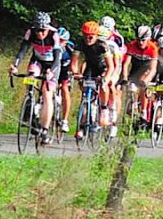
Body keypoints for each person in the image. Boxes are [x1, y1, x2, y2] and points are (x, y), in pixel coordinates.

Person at [10, 12, 62, 144]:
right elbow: (23, 50)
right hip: (37, 60)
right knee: (31, 75)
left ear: (47, 28)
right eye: (38, 30)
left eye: (43, 30)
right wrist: (15, 66)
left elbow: (57, 56)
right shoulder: (30, 32)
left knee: (46, 92)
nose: (40, 33)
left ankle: (44, 130)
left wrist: (52, 71)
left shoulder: (53, 34)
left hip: (52, 64)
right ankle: (30, 101)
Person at [70, 21, 117, 141]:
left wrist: (106, 78)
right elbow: (74, 62)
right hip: (90, 68)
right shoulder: (80, 44)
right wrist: (76, 74)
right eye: (85, 35)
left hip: (102, 67)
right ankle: (81, 126)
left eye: (91, 36)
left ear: (96, 35)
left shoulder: (102, 46)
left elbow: (110, 66)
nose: (88, 39)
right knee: (86, 97)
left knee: (103, 86)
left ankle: (104, 107)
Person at [121, 25, 160, 138]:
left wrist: (147, 81)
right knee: (131, 90)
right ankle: (132, 107)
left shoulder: (152, 48)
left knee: (142, 86)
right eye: (138, 39)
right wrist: (124, 77)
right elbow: (126, 64)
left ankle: (143, 112)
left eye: (143, 40)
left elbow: (153, 69)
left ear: (148, 39)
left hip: (147, 70)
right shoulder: (132, 45)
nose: (140, 42)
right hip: (135, 70)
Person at [56, 25, 75, 133]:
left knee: (64, 88)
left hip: (65, 68)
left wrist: (74, 72)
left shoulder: (70, 47)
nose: (59, 43)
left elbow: (75, 60)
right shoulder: (52, 45)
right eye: (58, 40)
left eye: (62, 40)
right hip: (54, 67)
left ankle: (65, 120)